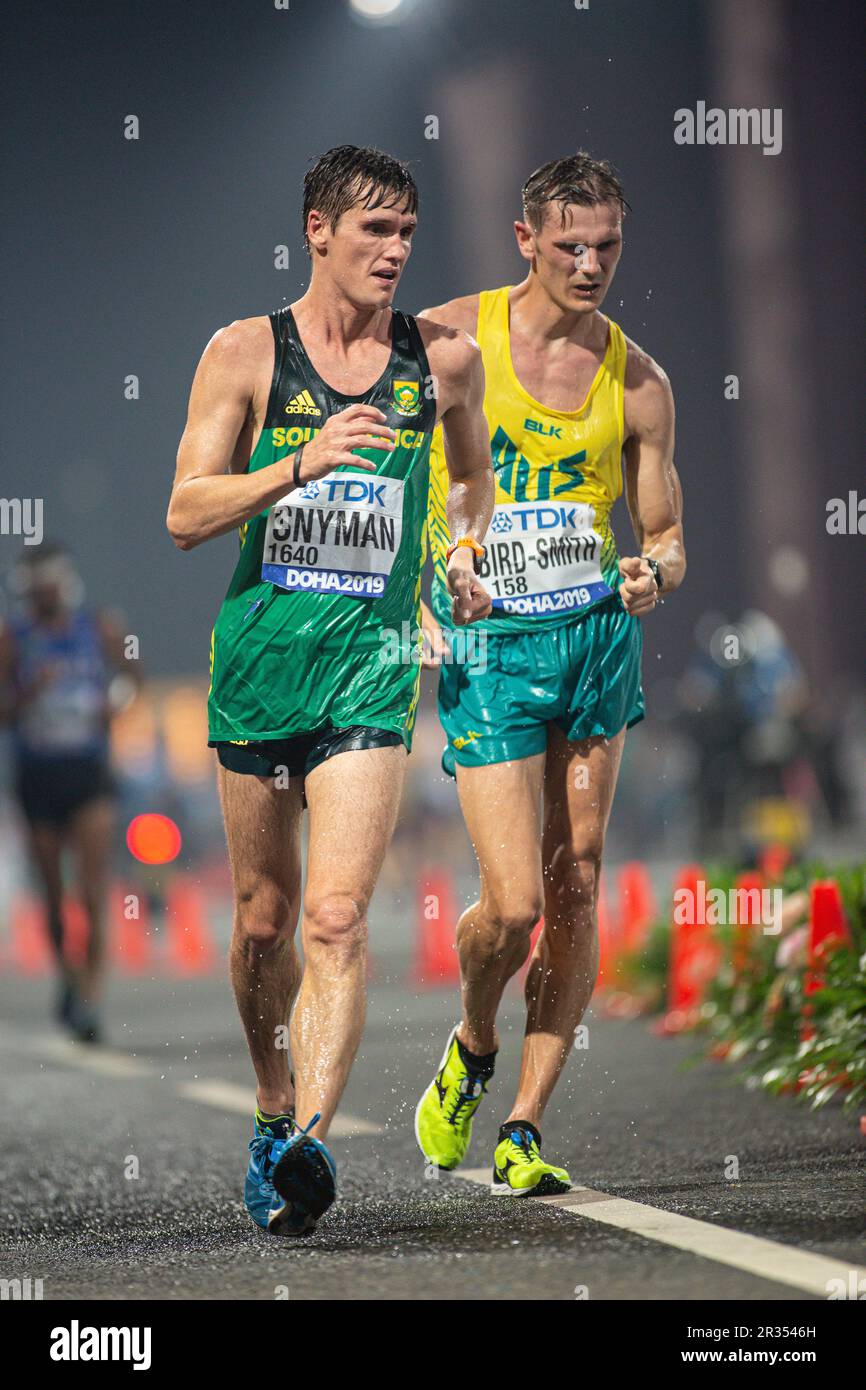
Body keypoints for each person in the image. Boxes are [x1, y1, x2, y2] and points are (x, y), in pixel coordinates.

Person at [167, 146, 494, 1235]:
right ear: (317, 230)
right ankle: (270, 1106)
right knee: (263, 922)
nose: (396, 252)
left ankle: (307, 1141)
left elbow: (469, 492)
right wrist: (296, 465)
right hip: (260, 663)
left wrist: (461, 560)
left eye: (407, 231)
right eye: (374, 232)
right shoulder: (243, 352)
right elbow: (185, 513)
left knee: (339, 917)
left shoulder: (441, 359)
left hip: (372, 665)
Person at [415, 152, 686, 1195]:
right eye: (567, 243)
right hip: (491, 643)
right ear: (521, 238)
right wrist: (438, 569)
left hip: (590, 642)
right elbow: (388, 469)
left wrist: (651, 572)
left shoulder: (641, 381)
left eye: (606, 245)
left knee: (576, 876)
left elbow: (663, 533)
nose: (588, 263)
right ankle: (474, 1041)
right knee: (514, 902)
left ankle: (522, 1126)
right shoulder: (449, 339)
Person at [0, 544, 136, 1042]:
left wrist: (112, 705)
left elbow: (132, 680)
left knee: (92, 891)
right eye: (37, 586)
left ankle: (91, 999)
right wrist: (24, 696)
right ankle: (67, 974)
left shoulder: (96, 627)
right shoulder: (12, 639)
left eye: (52, 583)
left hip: (88, 772)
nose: (45, 593)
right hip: (38, 777)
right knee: (54, 898)